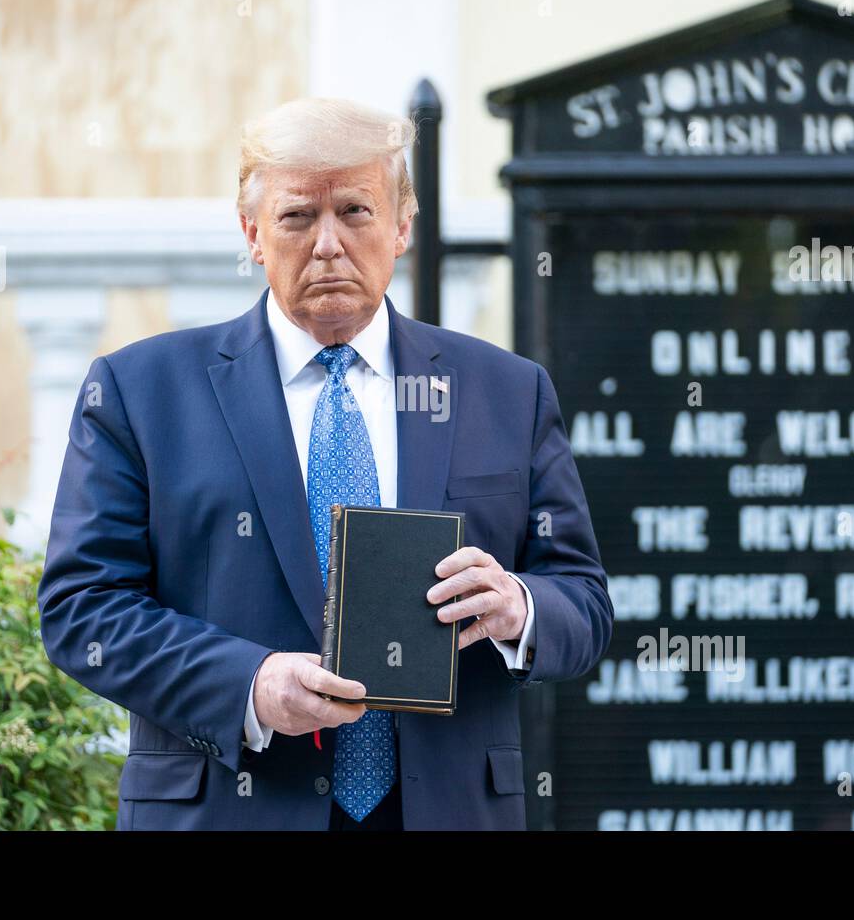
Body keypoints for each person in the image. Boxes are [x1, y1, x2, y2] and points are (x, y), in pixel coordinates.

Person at [37, 96, 613, 830]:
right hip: (230, 806)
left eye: (355, 211)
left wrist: (518, 609)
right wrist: (248, 683)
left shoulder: (505, 391)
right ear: (252, 232)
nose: (328, 244)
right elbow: (81, 606)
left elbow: (585, 603)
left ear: (402, 224)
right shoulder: (140, 392)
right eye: (297, 216)